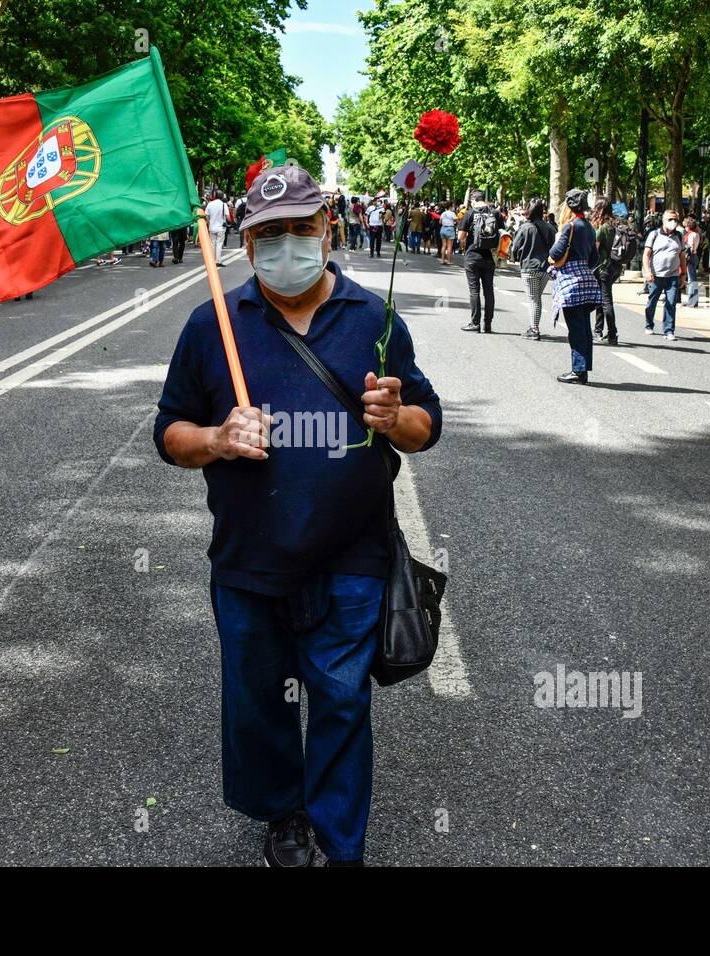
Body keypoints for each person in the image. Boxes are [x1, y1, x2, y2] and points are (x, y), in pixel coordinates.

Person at [154, 164, 442, 867]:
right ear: (247, 246)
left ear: (328, 230)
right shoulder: (212, 325)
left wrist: (394, 415)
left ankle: (342, 844)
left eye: (301, 229)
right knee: (260, 704)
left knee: (342, 703)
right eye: (270, 233)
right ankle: (283, 813)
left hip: (353, 561)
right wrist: (218, 438)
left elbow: (427, 422)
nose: (288, 245)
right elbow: (169, 434)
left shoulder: (374, 320)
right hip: (249, 562)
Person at [548, 189, 602, 384]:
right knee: (585, 328)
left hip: (571, 283)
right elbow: (594, 258)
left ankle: (578, 371)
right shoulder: (589, 226)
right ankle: (584, 367)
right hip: (587, 281)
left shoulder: (570, 227)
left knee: (576, 329)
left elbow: (555, 253)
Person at [458, 190, 504, 333]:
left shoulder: (469, 213)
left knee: (474, 291)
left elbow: (460, 237)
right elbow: (502, 233)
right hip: (490, 257)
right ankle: (488, 324)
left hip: (472, 256)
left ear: (473, 200)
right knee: (489, 291)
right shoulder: (495, 213)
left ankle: (475, 323)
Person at [511, 199, 555, 340]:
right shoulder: (550, 228)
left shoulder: (525, 227)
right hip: (545, 268)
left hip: (529, 267)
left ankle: (534, 329)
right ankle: (534, 326)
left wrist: (517, 257)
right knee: (536, 298)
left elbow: (515, 247)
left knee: (533, 299)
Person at [643, 208, 685, 340]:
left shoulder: (679, 236)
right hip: (655, 276)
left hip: (672, 276)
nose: (673, 222)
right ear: (663, 220)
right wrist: (648, 271)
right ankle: (649, 325)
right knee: (652, 302)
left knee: (671, 303)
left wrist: (683, 274)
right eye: (670, 219)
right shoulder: (654, 234)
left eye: (675, 219)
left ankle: (669, 330)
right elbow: (646, 255)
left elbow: (682, 256)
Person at [590, 197, 618, 345]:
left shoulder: (602, 228)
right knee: (603, 299)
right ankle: (598, 330)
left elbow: (594, 249)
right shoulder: (614, 225)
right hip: (614, 267)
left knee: (606, 301)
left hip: (603, 267)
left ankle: (612, 333)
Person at [205, 191, 227, 266]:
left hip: (212, 227)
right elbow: (227, 216)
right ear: (222, 197)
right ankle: (218, 261)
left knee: (212, 244)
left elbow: (206, 215)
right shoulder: (224, 205)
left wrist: (209, 223)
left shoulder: (210, 204)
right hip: (221, 227)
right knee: (219, 244)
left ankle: (212, 260)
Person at [683, 217, 702, 308]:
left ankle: (692, 301)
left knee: (691, 280)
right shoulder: (696, 234)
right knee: (692, 279)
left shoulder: (691, 235)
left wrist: (686, 257)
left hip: (691, 257)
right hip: (694, 256)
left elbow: (690, 246)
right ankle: (693, 300)